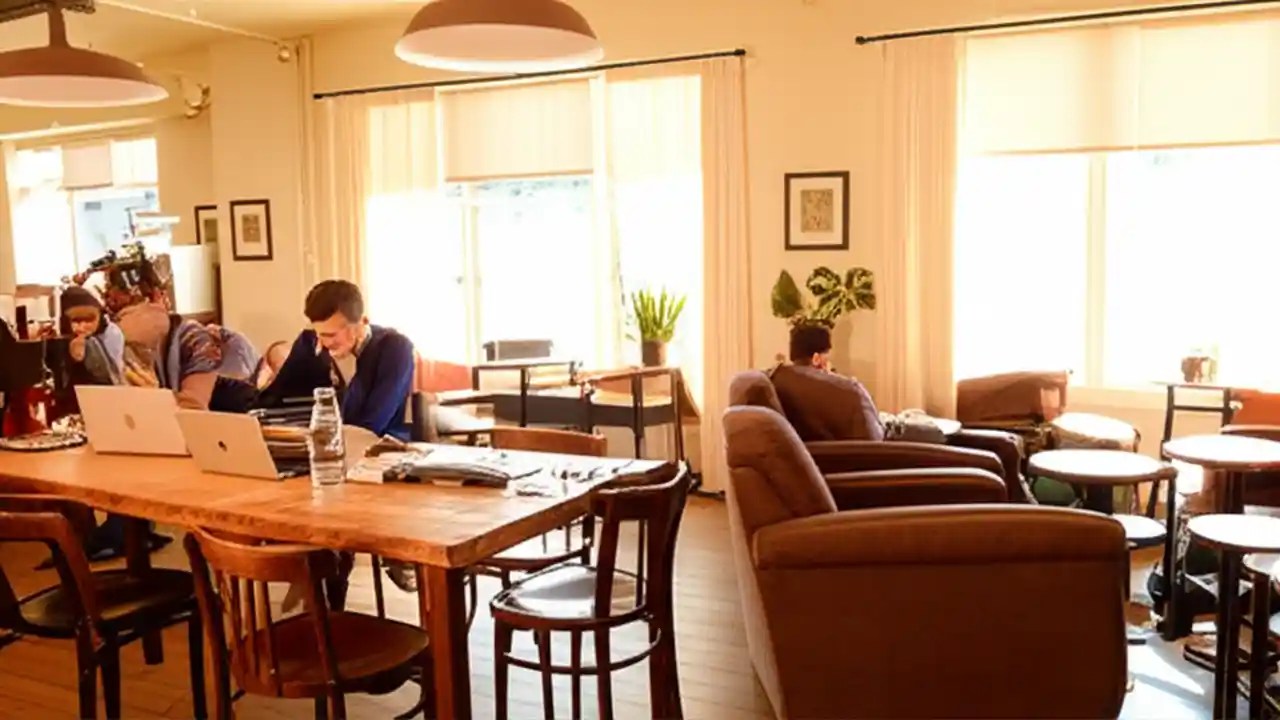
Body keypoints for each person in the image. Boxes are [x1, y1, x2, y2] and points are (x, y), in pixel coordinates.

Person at [257, 280, 415, 438]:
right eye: (319, 333)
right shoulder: (311, 342)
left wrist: (345, 363)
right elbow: (274, 400)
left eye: (331, 335)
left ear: (362, 323)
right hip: (322, 443)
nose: (324, 342)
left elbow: (371, 425)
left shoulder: (395, 348)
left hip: (381, 446)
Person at [59, 287, 125, 386]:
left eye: (89, 319)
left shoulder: (111, 333)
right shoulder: (62, 339)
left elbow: (112, 374)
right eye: (76, 320)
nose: (82, 326)